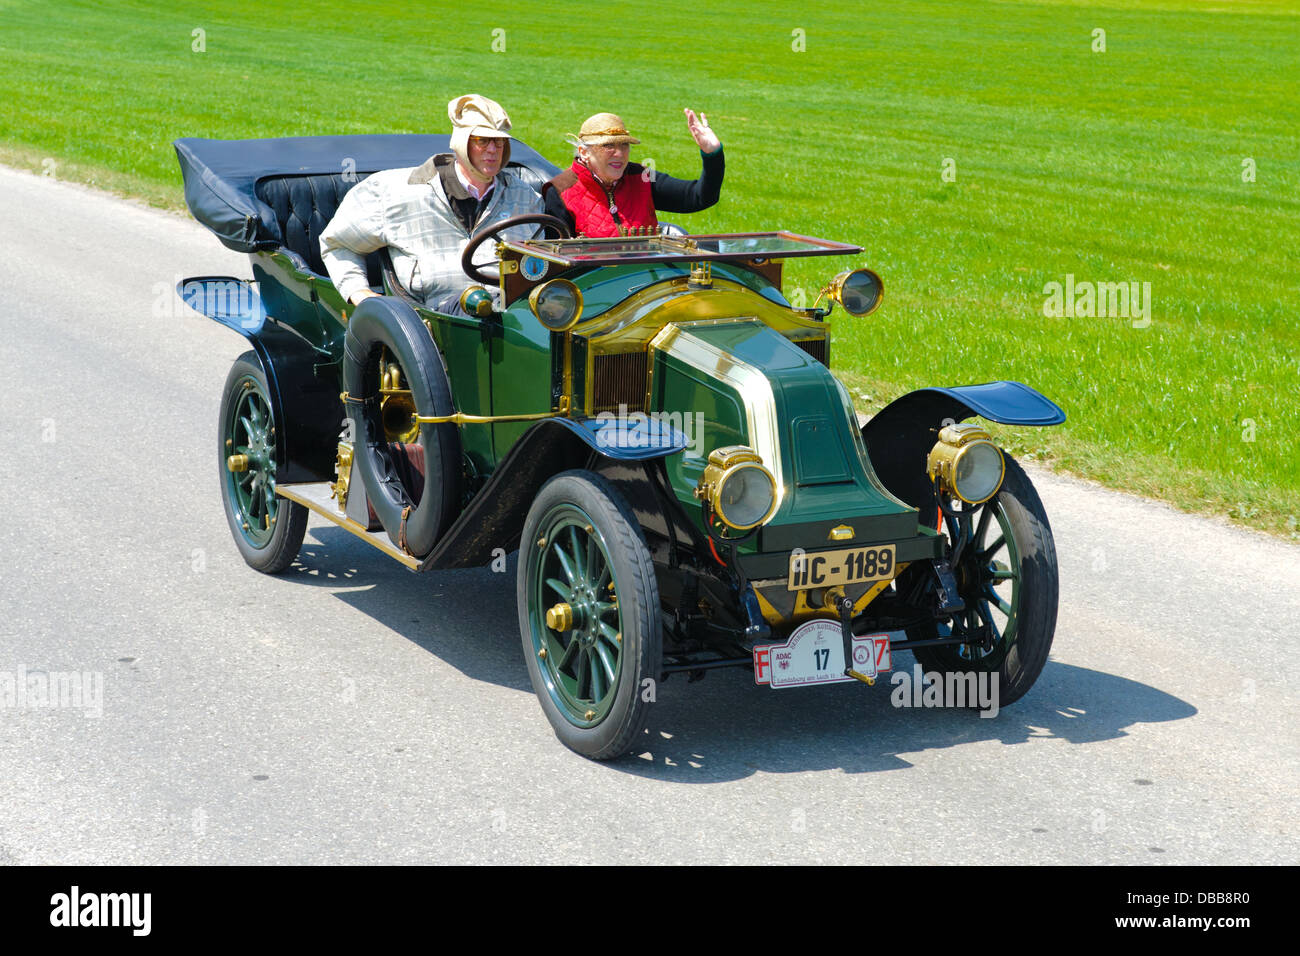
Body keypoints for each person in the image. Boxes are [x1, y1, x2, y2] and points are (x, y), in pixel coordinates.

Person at [320, 93, 544, 313]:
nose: (493, 150)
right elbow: (338, 244)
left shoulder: (525, 199)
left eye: (499, 141)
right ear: (462, 143)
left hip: (512, 318)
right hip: (431, 322)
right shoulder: (395, 193)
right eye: (482, 140)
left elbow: (540, 269)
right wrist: (360, 294)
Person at [543, 108, 724, 238]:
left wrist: (712, 154)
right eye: (608, 146)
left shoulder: (641, 177)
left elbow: (700, 196)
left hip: (647, 282)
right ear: (584, 152)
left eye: (624, 145)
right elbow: (557, 261)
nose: (620, 154)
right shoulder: (560, 190)